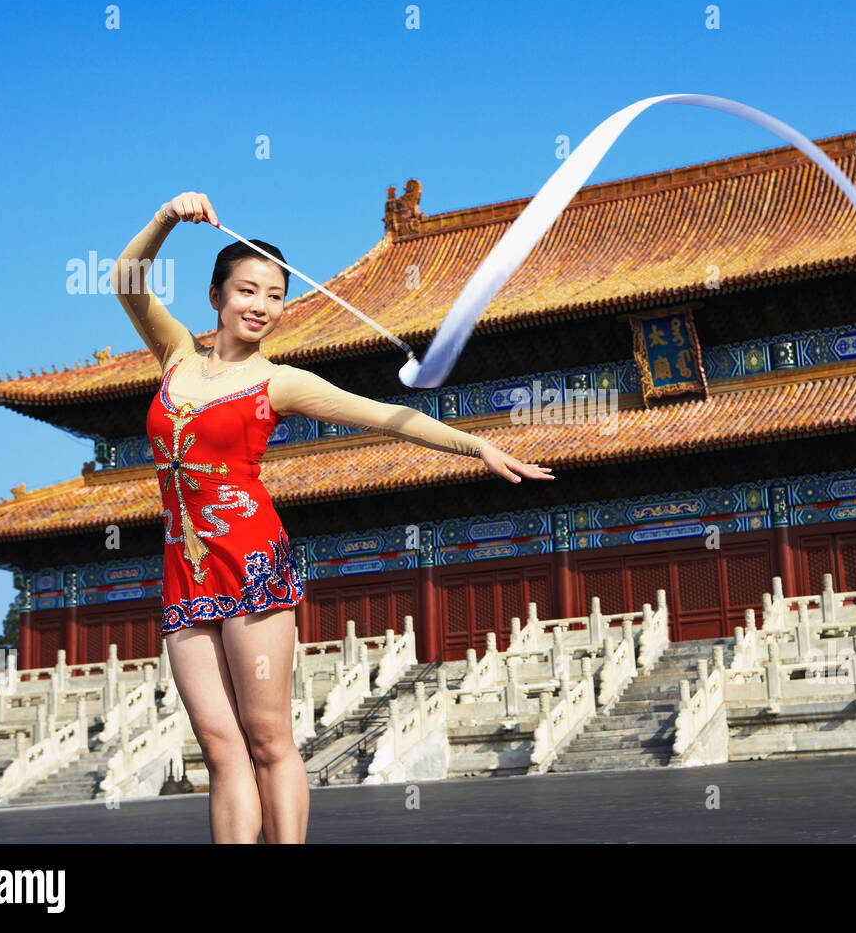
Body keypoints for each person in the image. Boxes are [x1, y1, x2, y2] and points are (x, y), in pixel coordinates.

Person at [113, 190, 553, 844]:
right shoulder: (175, 356)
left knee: (267, 740)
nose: (260, 306)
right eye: (246, 291)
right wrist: (165, 219)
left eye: (274, 295)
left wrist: (475, 444)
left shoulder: (279, 382)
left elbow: (387, 417)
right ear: (216, 296)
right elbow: (126, 279)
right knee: (219, 748)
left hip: (252, 563)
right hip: (185, 569)